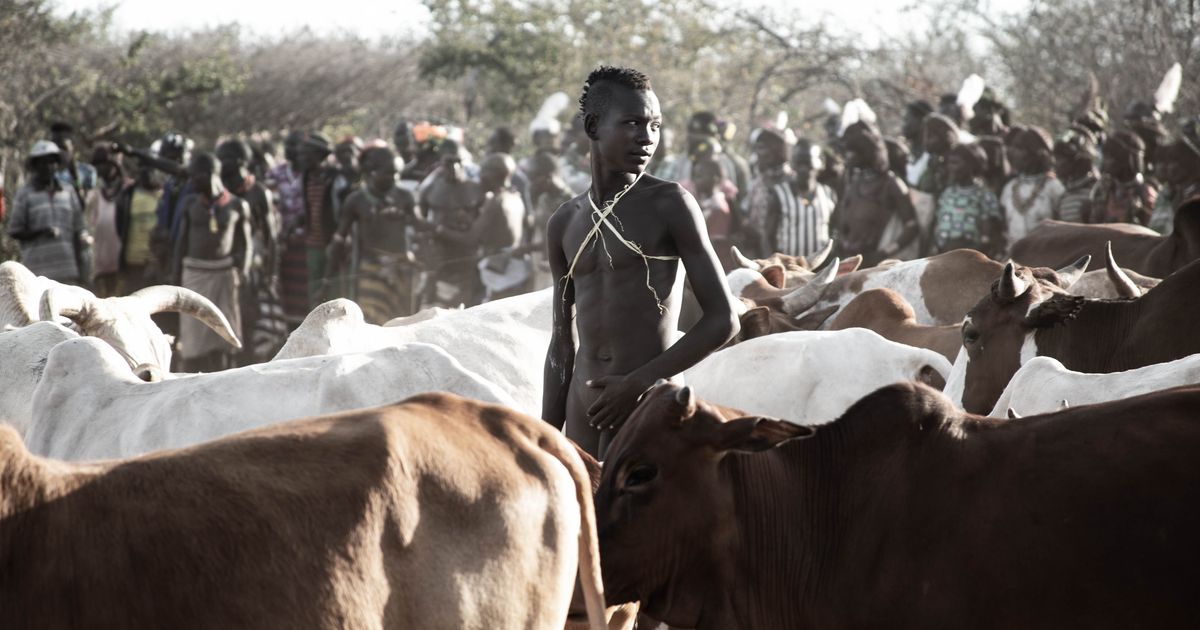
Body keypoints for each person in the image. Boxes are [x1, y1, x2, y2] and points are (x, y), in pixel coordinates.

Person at [542, 66, 738, 458]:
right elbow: (563, 342)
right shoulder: (565, 220)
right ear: (594, 126)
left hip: (651, 404)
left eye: (655, 125)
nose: (648, 138)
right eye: (632, 123)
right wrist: (543, 434)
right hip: (583, 407)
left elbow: (724, 320)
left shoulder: (671, 204)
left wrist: (638, 382)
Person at [172, 153, 251, 372]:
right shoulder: (190, 203)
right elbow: (180, 242)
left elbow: (245, 244)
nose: (191, 181)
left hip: (224, 275)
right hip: (194, 275)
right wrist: (175, 276)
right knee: (193, 337)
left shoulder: (238, 205)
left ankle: (227, 379)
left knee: (226, 338)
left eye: (194, 176)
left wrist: (243, 272)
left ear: (208, 175)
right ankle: (190, 380)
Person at [327, 146, 423, 323]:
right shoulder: (356, 200)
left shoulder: (405, 197)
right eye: (388, 173)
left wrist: (406, 219)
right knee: (373, 323)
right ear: (372, 172)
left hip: (401, 270)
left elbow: (421, 227)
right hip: (371, 271)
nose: (394, 178)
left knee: (402, 324)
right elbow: (339, 238)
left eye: (396, 173)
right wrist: (327, 277)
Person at [218, 138, 281, 362]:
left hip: (252, 267)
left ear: (238, 161)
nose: (220, 163)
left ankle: (248, 364)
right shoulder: (219, 189)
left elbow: (271, 237)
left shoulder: (258, 192)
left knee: (250, 320)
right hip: (224, 265)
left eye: (223, 158)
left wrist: (270, 273)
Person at [436, 153, 529, 301]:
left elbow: (470, 239)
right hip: (513, 267)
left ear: (492, 176)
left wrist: (440, 230)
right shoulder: (516, 197)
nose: (480, 178)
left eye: (483, 173)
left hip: (495, 271)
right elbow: (500, 230)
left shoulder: (495, 201)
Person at [7, 140, 92, 284]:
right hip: (37, 275)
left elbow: (79, 229)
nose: (48, 167)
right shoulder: (25, 194)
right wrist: (42, 232)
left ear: (57, 165)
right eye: (43, 162)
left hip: (68, 271)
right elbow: (15, 230)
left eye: (52, 162)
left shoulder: (68, 191)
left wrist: (83, 268)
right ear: (35, 166)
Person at [834, 122, 918, 264]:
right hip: (848, 259)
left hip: (874, 263)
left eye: (851, 152)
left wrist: (884, 253)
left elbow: (911, 225)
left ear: (865, 152)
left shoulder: (890, 183)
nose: (847, 157)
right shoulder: (854, 180)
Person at [418, 139, 484, 306]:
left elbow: (483, 221)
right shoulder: (429, 187)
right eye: (449, 164)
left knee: (468, 301)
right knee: (438, 300)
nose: (454, 168)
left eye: (458, 163)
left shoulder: (476, 188)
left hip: (468, 252)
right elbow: (421, 220)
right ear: (441, 164)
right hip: (441, 251)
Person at [930, 143, 1005, 258]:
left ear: (971, 165)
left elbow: (989, 231)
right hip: (943, 254)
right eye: (949, 163)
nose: (950, 167)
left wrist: (978, 249)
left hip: (970, 257)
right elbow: (938, 223)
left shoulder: (984, 194)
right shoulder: (947, 193)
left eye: (955, 163)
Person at [265, 130, 308, 326]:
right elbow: (272, 207)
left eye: (295, 145)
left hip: (308, 243)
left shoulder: (311, 173)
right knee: (288, 291)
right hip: (284, 243)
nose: (290, 150)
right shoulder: (276, 173)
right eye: (288, 145)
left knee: (307, 290)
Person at [763, 139, 834, 259]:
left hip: (820, 268)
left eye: (807, 163)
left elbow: (834, 232)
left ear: (820, 163)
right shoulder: (778, 194)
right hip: (789, 268)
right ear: (792, 164)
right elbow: (768, 236)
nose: (803, 169)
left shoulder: (828, 194)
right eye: (799, 163)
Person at [1000, 126, 1065, 249]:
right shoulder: (1009, 188)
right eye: (1013, 147)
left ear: (1038, 153)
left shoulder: (1055, 188)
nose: (1013, 153)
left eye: (1020, 148)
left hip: (1047, 258)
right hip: (1014, 259)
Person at [296, 133, 341, 308]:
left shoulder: (334, 177)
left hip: (331, 243)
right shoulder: (307, 177)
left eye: (306, 153)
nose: (302, 158)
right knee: (314, 289)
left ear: (318, 154)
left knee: (333, 290)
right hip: (313, 243)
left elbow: (340, 212)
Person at [85, 144, 131, 297]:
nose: (99, 169)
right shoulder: (95, 193)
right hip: (101, 265)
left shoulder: (128, 189)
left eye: (103, 163)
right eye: (97, 165)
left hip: (122, 265)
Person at [117, 149, 164, 294]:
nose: (147, 173)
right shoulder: (128, 195)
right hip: (133, 261)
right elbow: (120, 226)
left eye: (151, 169)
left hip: (157, 261)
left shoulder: (165, 195)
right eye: (143, 169)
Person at [526, 150, 574, 289]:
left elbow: (566, 241)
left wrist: (529, 248)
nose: (532, 183)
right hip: (542, 270)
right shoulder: (543, 198)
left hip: (562, 274)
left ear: (548, 176)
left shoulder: (571, 203)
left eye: (534, 178)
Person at [1088, 130, 1157, 225]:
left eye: (1110, 157)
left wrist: (1138, 213)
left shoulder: (1145, 194)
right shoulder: (1103, 189)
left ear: (1127, 160)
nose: (1105, 162)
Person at [743, 125, 792, 257]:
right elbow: (746, 213)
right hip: (757, 253)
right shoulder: (756, 183)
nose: (758, 154)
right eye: (757, 148)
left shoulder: (792, 183)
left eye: (762, 148)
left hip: (786, 253)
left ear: (777, 151)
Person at [1149, 118, 1200, 235]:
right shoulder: (1168, 192)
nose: (1170, 167)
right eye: (1170, 160)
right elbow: (1154, 231)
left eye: (1178, 161)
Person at [683, 154, 734, 269]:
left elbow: (713, 244)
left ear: (715, 178)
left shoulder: (718, 208)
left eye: (700, 176)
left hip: (714, 265)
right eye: (695, 176)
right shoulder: (704, 202)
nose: (695, 181)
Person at [1052, 127, 1100, 223]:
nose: (1056, 164)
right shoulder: (1064, 196)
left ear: (1078, 160)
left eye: (1060, 159)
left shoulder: (1098, 192)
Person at [49, 121, 97, 208]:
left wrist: (75, 176)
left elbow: (85, 207)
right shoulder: (43, 172)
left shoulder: (87, 172)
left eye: (63, 147)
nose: (59, 152)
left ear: (72, 146)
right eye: (55, 147)